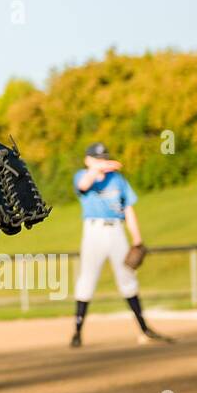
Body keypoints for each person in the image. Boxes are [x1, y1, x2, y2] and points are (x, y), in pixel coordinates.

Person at [69, 141, 175, 348]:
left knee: (128, 278)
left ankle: (144, 329)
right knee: (87, 280)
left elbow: (128, 210)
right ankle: (77, 332)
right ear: (88, 160)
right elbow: (83, 186)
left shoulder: (117, 179)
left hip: (116, 231)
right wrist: (98, 168)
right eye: (97, 158)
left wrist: (137, 239)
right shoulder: (82, 176)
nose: (102, 161)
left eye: (104, 158)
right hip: (93, 231)